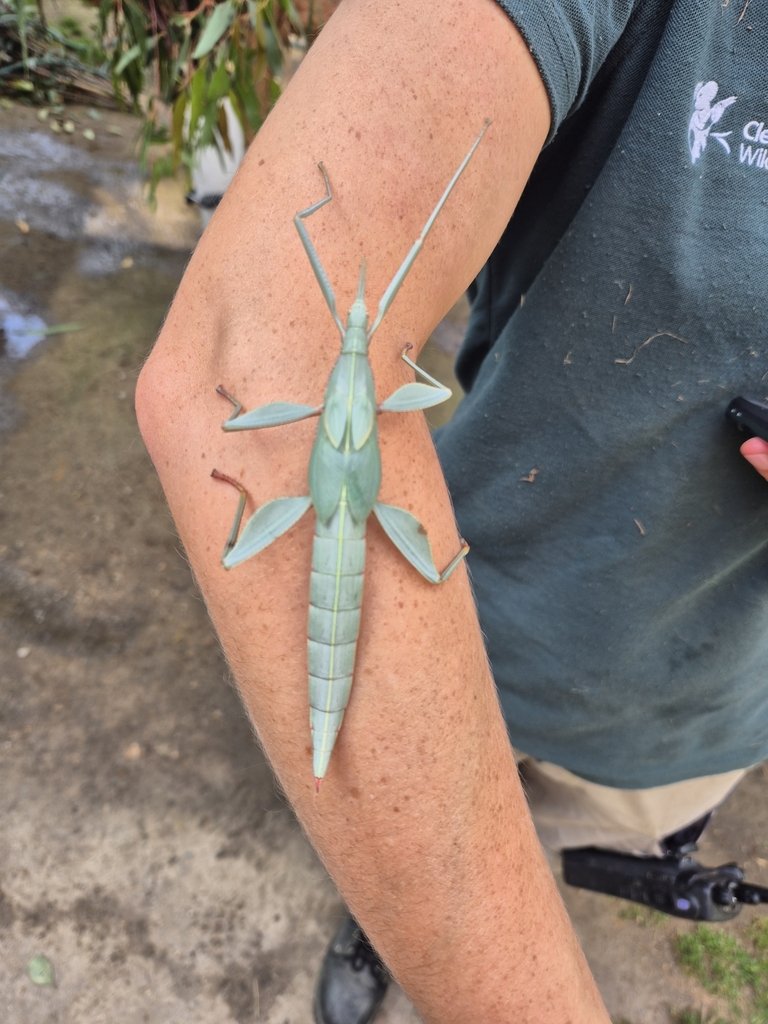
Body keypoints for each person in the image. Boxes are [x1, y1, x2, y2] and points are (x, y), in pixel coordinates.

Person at [135, 0, 768, 1020]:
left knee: (538, 825)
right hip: (485, 625)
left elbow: (319, 385)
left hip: (712, 699)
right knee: (430, 784)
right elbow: (253, 366)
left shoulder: (375, 392)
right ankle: (383, 919)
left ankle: (442, 903)